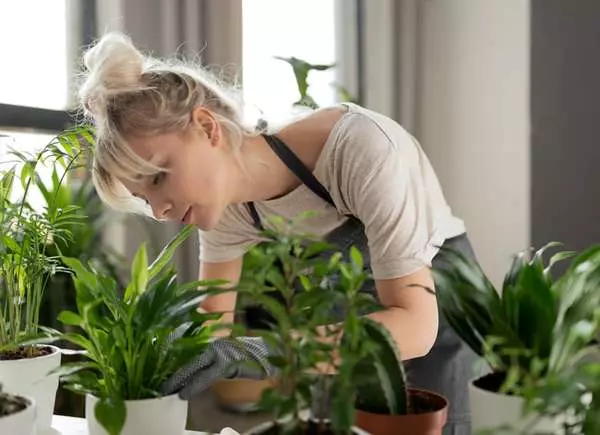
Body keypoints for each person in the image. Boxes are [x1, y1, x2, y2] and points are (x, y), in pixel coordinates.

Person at [79, 32, 481, 435]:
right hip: (345, 320)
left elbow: (415, 325)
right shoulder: (226, 210)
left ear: (205, 127)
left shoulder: (360, 150)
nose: (161, 210)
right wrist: (147, 357)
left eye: (159, 176)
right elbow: (211, 327)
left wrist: (263, 351)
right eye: (143, 197)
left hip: (434, 314)